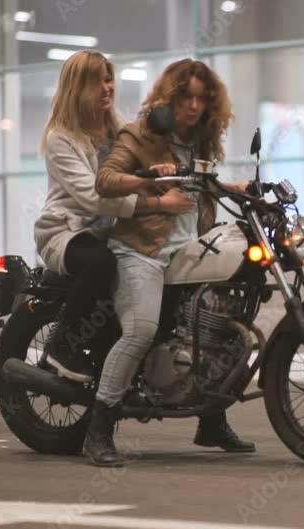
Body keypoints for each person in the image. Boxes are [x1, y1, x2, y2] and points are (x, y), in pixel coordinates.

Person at [85, 58, 253, 467]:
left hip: (188, 250)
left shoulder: (201, 140)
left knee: (221, 327)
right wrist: (148, 177)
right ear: (170, 97)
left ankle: (210, 422)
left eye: (201, 99)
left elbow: (201, 183)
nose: (193, 107)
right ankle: (99, 429)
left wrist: (240, 188)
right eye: (186, 97)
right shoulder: (141, 134)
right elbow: (105, 180)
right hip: (142, 249)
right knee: (140, 330)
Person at [34, 50, 193, 383]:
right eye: (97, 82)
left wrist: (159, 169)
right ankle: (62, 345)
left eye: (109, 79)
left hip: (114, 231)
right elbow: (95, 198)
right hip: (69, 232)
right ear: (76, 88)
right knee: (100, 263)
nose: (107, 87)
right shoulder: (60, 139)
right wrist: (159, 205)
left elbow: (141, 169)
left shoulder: (120, 130)